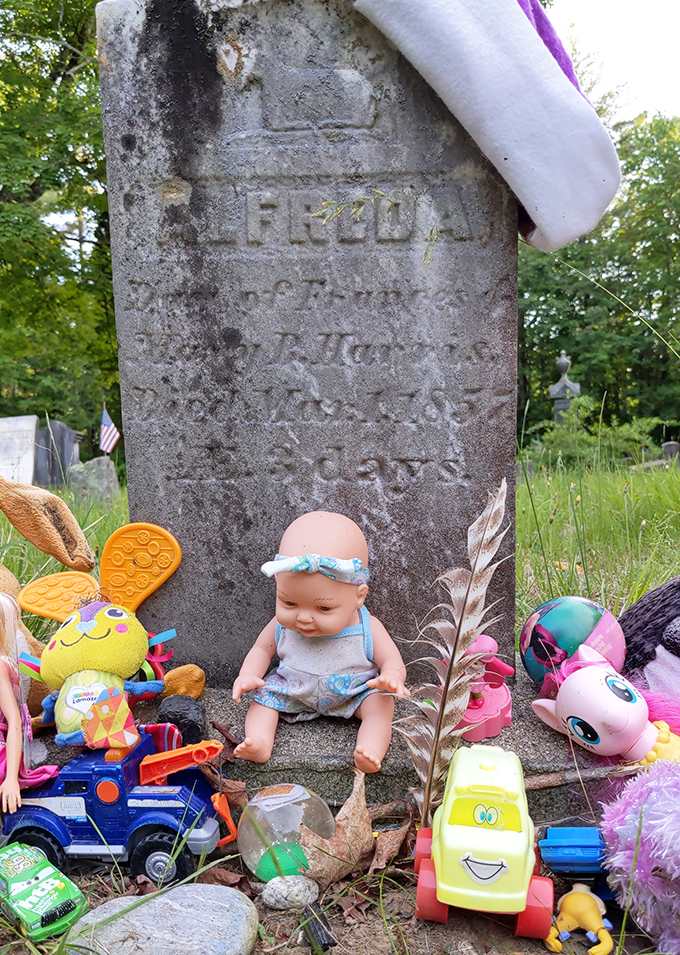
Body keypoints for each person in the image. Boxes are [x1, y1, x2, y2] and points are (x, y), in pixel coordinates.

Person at [232, 511, 409, 772]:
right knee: (264, 696)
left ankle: (370, 749)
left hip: (353, 692)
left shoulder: (366, 626)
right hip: (293, 689)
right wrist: (248, 674)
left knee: (381, 702)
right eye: (289, 602)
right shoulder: (280, 625)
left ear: (358, 597)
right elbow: (261, 649)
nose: (303, 617)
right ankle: (258, 741)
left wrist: (392, 677)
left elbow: (392, 660)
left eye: (324, 609)